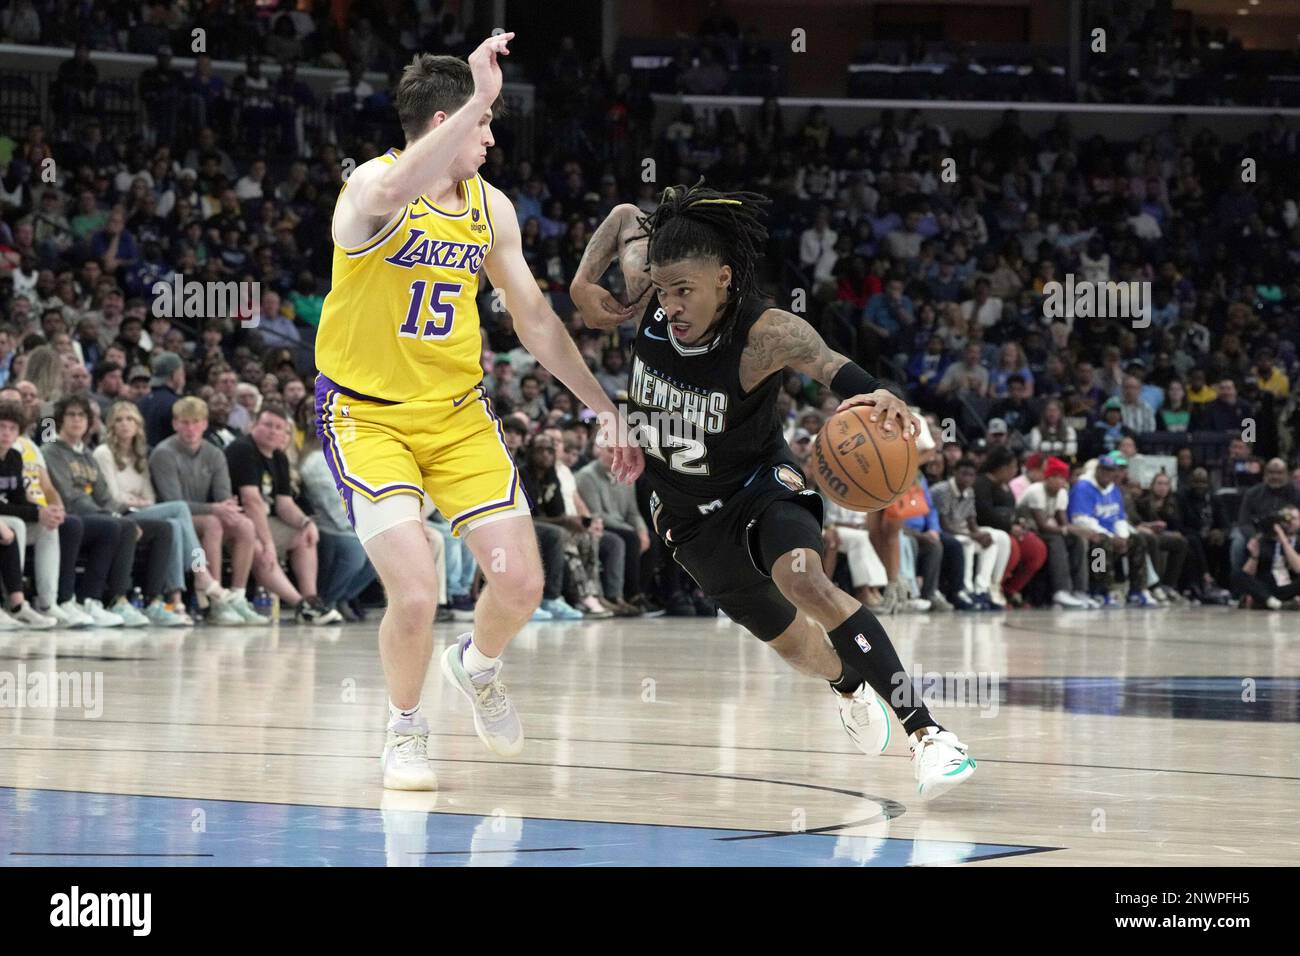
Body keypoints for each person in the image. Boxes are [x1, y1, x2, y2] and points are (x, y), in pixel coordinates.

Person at [312, 34, 642, 790]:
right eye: (483, 125)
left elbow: (532, 318)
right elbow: (396, 194)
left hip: (458, 415)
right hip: (368, 418)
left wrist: (605, 409)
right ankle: (404, 730)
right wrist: (481, 97)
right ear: (444, 123)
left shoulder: (490, 209)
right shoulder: (369, 188)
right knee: (420, 589)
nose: (491, 139)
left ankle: (478, 668)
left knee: (521, 581)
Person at [571, 183, 974, 800]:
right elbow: (626, 214)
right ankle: (847, 686)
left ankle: (928, 733)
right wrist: (580, 281)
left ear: (725, 279)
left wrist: (881, 390)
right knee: (794, 646)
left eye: (686, 291)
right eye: (665, 287)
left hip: (761, 485)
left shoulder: (766, 333)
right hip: (685, 515)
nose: (671, 303)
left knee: (805, 579)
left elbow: (833, 365)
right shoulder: (648, 282)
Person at [92, 400, 236, 625]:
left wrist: (139, 502)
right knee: (178, 508)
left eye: (130, 419)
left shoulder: (140, 454)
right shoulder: (103, 453)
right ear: (110, 425)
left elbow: (150, 496)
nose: (124, 424)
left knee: (175, 525)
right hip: (119, 516)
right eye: (118, 420)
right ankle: (201, 574)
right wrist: (137, 502)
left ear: (138, 424)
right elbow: (113, 498)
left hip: (141, 512)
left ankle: (175, 601)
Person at [42, 394, 178, 627]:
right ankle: (114, 598)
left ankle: (155, 600)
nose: (77, 420)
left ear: (89, 422)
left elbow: (105, 497)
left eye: (82, 416)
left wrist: (117, 513)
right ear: (60, 420)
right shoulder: (52, 450)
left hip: (98, 517)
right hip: (72, 516)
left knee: (163, 529)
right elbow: (69, 496)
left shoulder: (86, 454)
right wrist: (113, 516)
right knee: (118, 526)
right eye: (71, 415)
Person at [151, 397, 268, 626]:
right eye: (184, 422)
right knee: (213, 523)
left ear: (205, 424)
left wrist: (228, 509)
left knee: (245, 525)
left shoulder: (214, 454)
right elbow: (173, 502)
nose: (190, 428)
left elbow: (224, 496)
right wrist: (216, 509)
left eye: (196, 422)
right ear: (175, 424)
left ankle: (237, 596)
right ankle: (216, 602)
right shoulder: (163, 453)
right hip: (175, 516)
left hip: (206, 512)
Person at [226, 404, 341, 624]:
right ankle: (301, 605)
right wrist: (269, 544)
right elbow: (252, 502)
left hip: (264, 520)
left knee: (304, 536)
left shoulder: (279, 457)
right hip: (237, 522)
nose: (273, 431)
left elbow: (284, 504)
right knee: (260, 549)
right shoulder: (243, 449)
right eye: (267, 425)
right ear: (253, 426)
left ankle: (311, 600)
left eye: (279, 427)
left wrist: (306, 522)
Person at [1067, 453, 1157, 607]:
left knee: (1137, 540)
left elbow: (1119, 517)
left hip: (1112, 533)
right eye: (1103, 470)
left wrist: (1122, 536)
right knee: (1101, 544)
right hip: (1088, 532)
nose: (1107, 474)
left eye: (1110, 471)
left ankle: (1137, 590)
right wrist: (1110, 536)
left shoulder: (1114, 489)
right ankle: (1100, 590)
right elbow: (1081, 519)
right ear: (1097, 470)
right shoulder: (1083, 487)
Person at [1017, 455, 1097, 608]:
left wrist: (1078, 532)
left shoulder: (1062, 493)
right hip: (1027, 528)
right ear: (1047, 477)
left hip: (1050, 528)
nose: (1060, 481)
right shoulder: (1036, 491)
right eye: (1056, 477)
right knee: (1057, 539)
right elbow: (1042, 525)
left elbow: (1063, 523)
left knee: (1078, 541)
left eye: (1062, 478)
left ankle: (1081, 590)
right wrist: (1072, 529)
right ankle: (1061, 590)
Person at [1231, 506, 1300, 610]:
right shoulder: (1263, 541)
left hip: (1289, 586)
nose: (1289, 523)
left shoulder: (1297, 541)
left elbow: (1298, 568)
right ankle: (1274, 603)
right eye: (1285, 519)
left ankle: (1266, 602)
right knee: (1237, 574)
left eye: (1293, 519)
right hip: (1266, 587)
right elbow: (1248, 574)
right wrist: (1254, 556)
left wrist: (1283, 540)